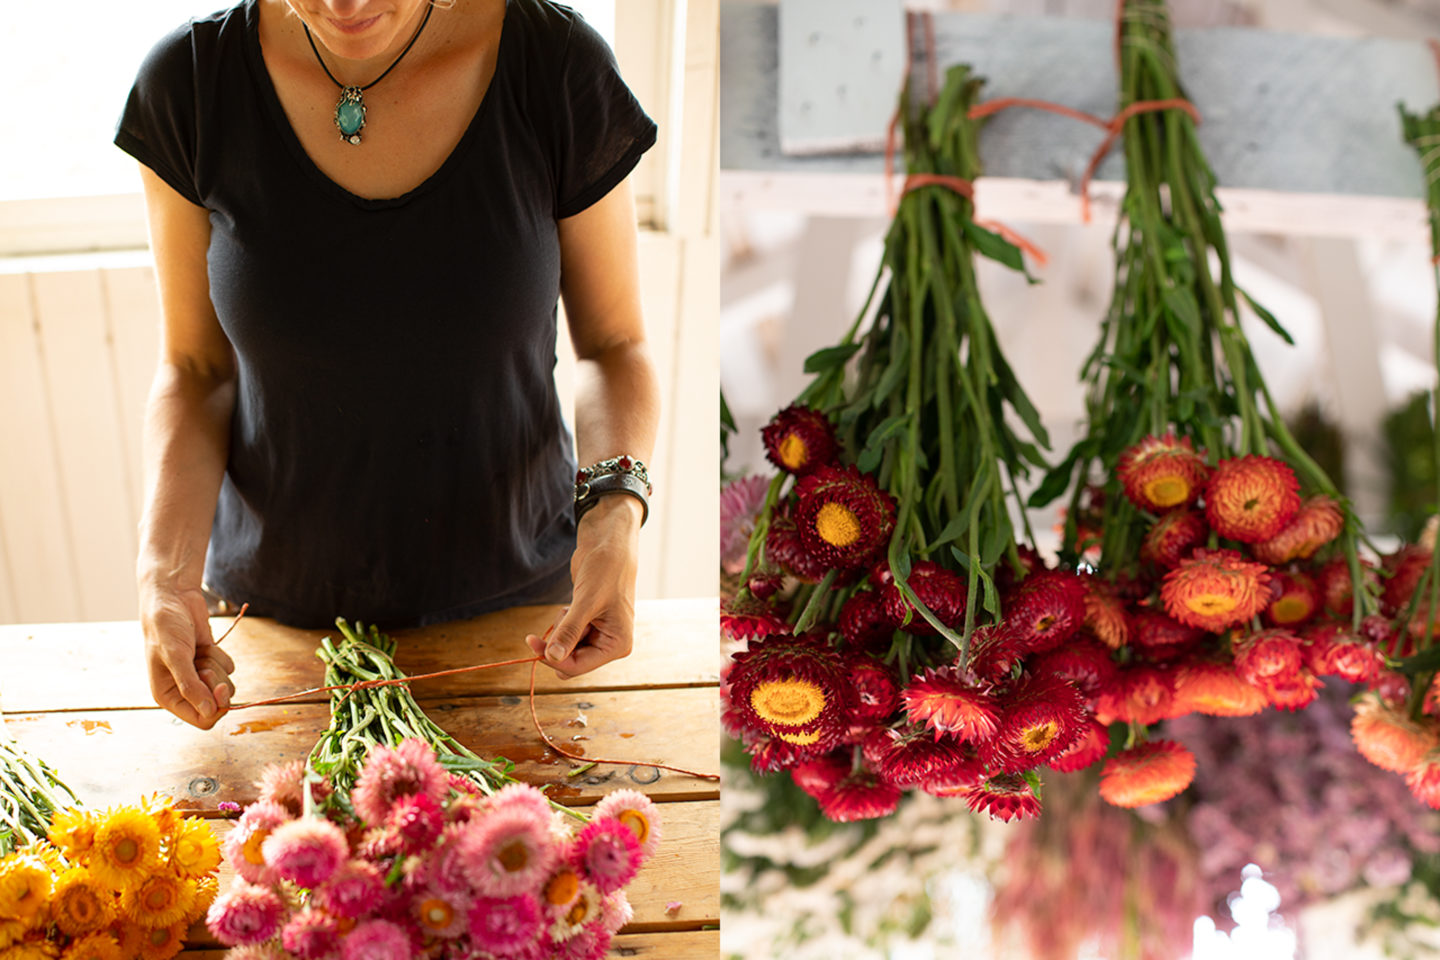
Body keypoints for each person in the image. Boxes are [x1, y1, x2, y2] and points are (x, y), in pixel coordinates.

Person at [117, 0, 660, 730]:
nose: (345, 6)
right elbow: (194, 368)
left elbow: (614, 345)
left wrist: (613, 520)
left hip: (525, 618)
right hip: (272, 630)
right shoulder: (187, 83)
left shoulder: (556, 63)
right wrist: (164, 571)